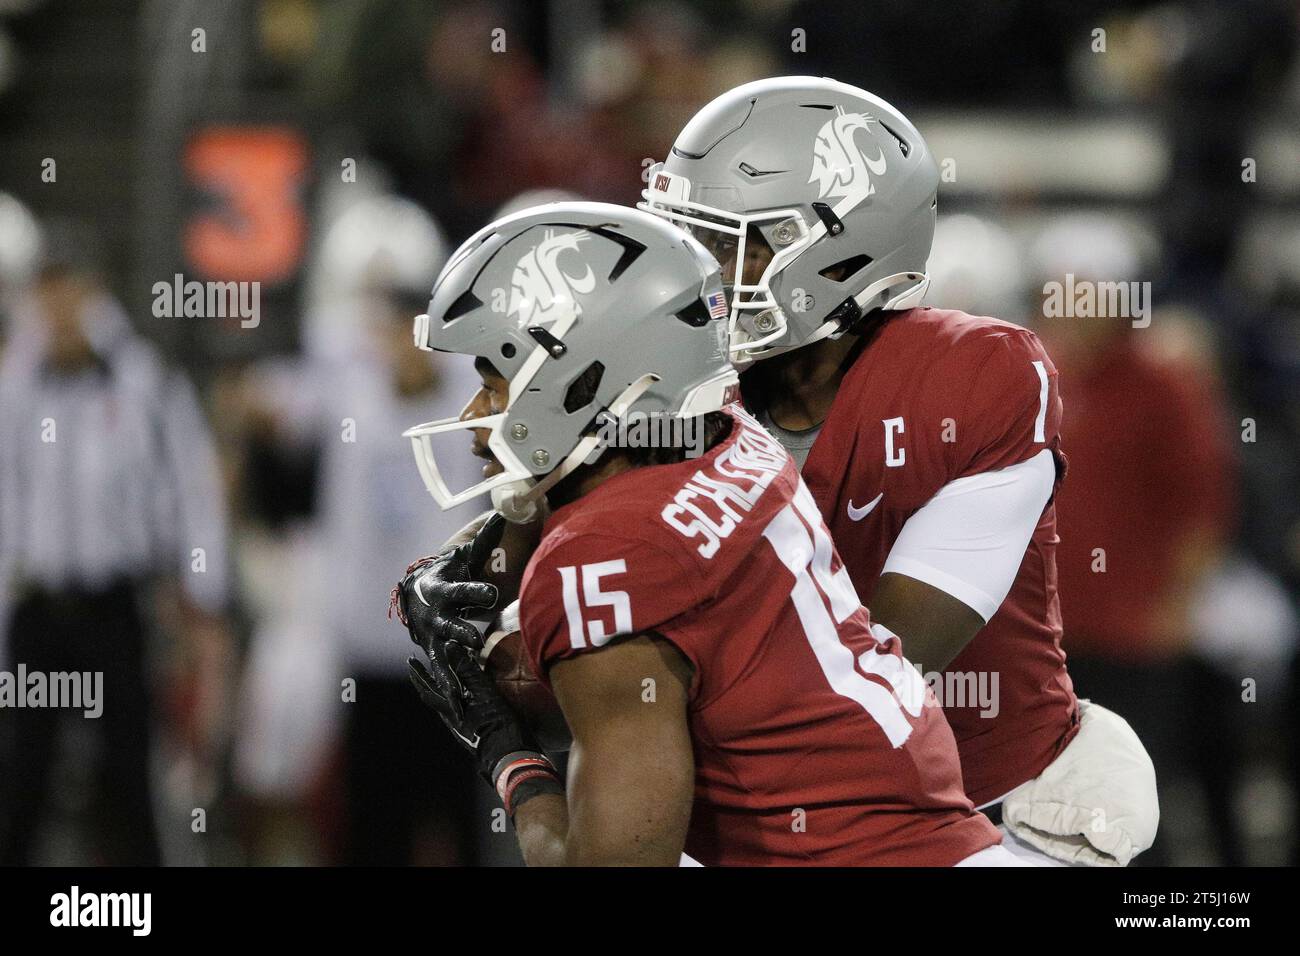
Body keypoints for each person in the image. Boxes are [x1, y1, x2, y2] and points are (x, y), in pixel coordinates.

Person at [636, 76, 1157, 865]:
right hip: (755, 819)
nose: (700, 274)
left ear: (843, 250)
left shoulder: (979, 377)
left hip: (986, 815)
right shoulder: (672, 397)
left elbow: (878, 670)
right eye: (688, 238)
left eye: (734, 243)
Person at [393, 201, 1010, 865]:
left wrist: (508, 756)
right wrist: (463, 561)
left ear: (580, 376)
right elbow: (592, 487)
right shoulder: (726, 427)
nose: (474, 415)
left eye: (494, 386)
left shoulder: (599, 562)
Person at [0, 223, 232, 864]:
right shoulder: (15, 388)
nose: (60, 305)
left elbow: (191, 490)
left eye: (69, 287)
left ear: (93, 292)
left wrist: (201, 593)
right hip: (38, 610)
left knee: (129, 776)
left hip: (113, 608)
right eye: (47, 290)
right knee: (24, 778)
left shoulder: (143, 384)